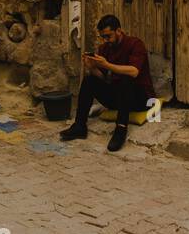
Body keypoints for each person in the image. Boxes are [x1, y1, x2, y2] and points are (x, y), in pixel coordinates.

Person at [59, 14, 155, 152]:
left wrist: (107, 64)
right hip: (120, 98)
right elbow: (104, 79)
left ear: (118, 31)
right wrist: (91, 67)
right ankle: (80, 125)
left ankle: (121, 129)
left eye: (108, 36)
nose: (106, 40)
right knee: (89, 80)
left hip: (142, 99)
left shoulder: (135, 44)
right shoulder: (105, 48)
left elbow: (134, 72)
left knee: (125, 78)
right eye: (103, 37)